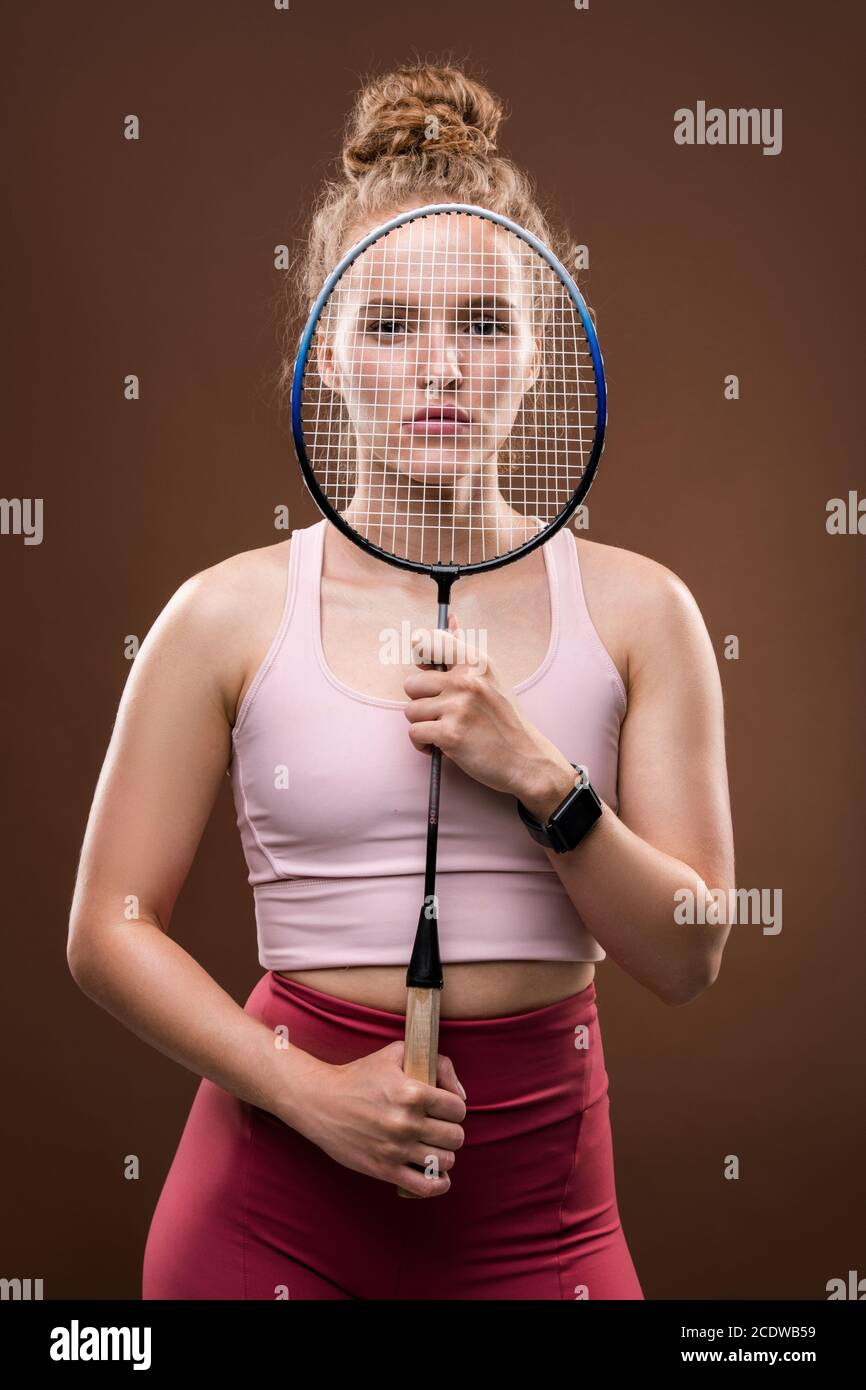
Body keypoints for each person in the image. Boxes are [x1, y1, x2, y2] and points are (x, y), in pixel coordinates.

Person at [67, 60, 735, 1301]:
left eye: (481, 322)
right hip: (264, 1217)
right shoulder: (222, 613)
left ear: (536, 354)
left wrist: (542, 780)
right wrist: (309, 1093)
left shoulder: (645, 611)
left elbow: (689, 953)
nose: (438, 367)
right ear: (325, 358)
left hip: (545, 1223)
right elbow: (105, 932)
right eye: (387, 324)